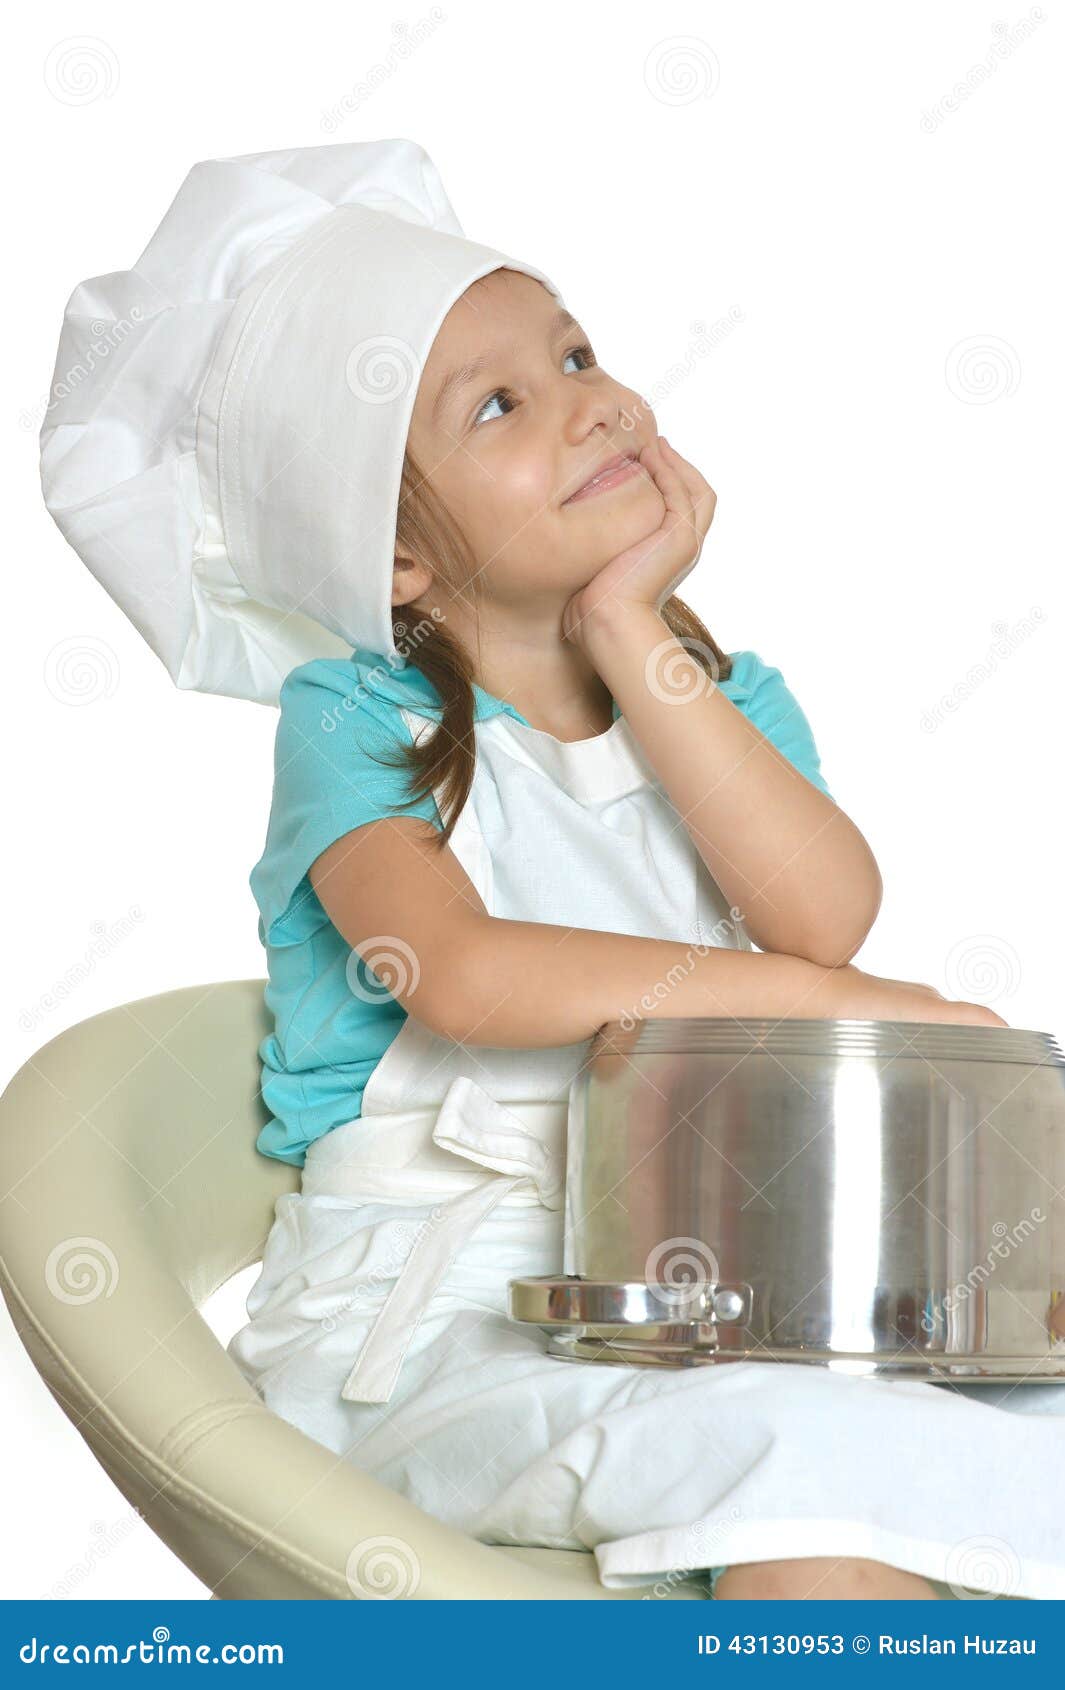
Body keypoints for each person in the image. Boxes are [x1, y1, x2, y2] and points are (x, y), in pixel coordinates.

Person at [40, 140, 1065, 1604]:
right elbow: (459, 972)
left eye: (577, 350)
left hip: (716, 1284)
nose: (596, 399)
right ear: (392, 550)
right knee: (797, 1460)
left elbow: (827, 911)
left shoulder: (710, 692)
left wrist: (631, 625)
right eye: (503, 403)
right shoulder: (356, 721)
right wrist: (796, 1000)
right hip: (443, 1315)